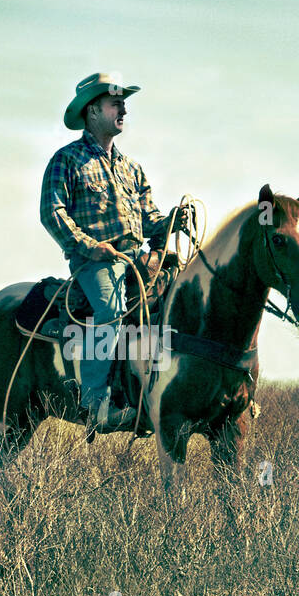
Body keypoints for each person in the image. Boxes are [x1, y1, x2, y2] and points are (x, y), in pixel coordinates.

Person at [40, 72, 183, 432]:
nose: (123, 109)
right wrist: (92, 247)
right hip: (95, 261)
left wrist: (173, 222)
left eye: (124, 103)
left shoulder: (132, 168)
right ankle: (95, 403)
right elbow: (52, 214)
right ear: (91, 112)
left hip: (137, 257)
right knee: (110, 307)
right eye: (115, 103)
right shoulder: (66, 161)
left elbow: (150, 219)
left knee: (184, 291)